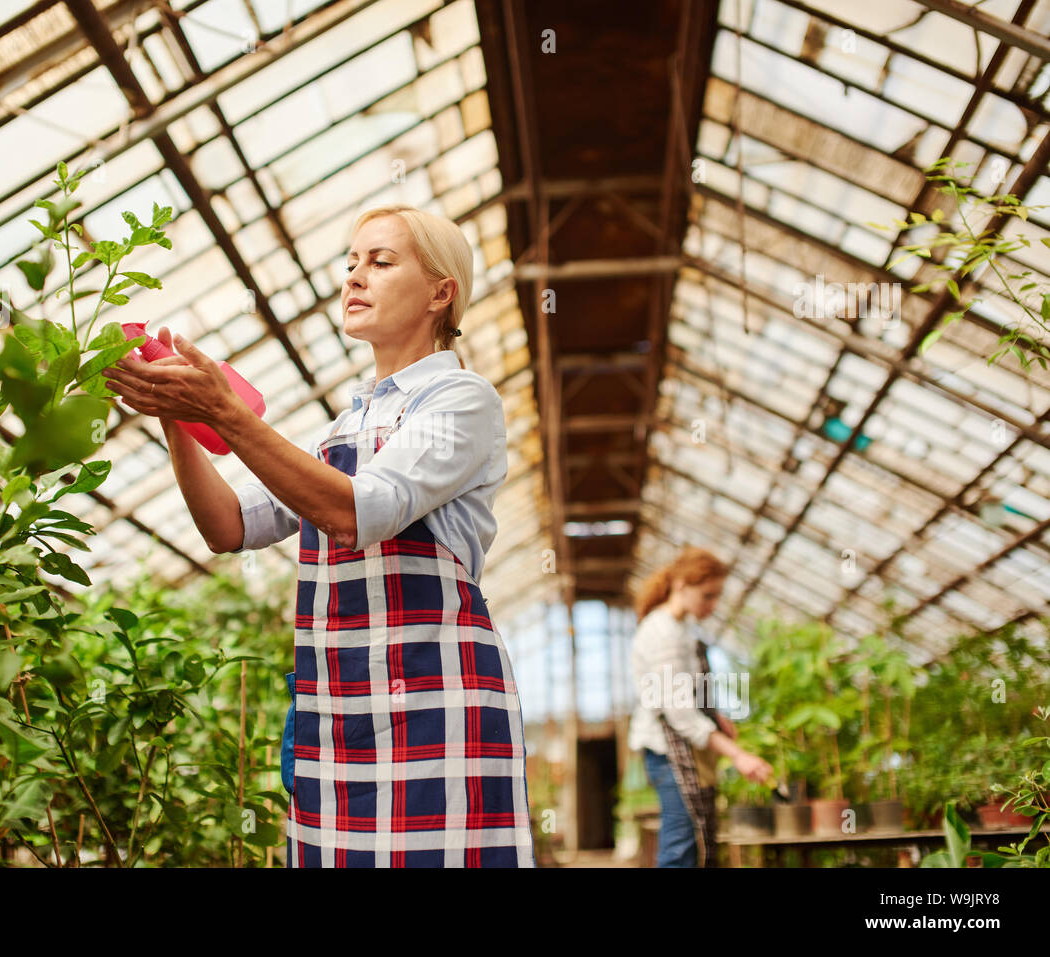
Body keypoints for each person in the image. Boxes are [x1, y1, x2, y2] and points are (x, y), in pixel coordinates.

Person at [100, 204, 535, 868]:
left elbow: (361, 512)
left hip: (434, 702)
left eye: (382, 262)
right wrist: (177, 417)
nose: (355, 276)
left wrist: (226, 413)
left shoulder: (462, 401)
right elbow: (229, 525)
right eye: (351, 261)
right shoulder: (344, 425)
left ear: (441, 292)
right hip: (340, 710)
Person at [629, 547, 772, 867]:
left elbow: (687, 693)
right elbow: (680, 715)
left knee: (690, 841)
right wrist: (739, 755)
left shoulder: (680, 628)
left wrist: (716, 715)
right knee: (680, 847)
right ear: (681, 585)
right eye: (708, 595)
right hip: (667, 752)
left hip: (677, 749)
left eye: (717, 596)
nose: (713, 605)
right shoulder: (663, 632)